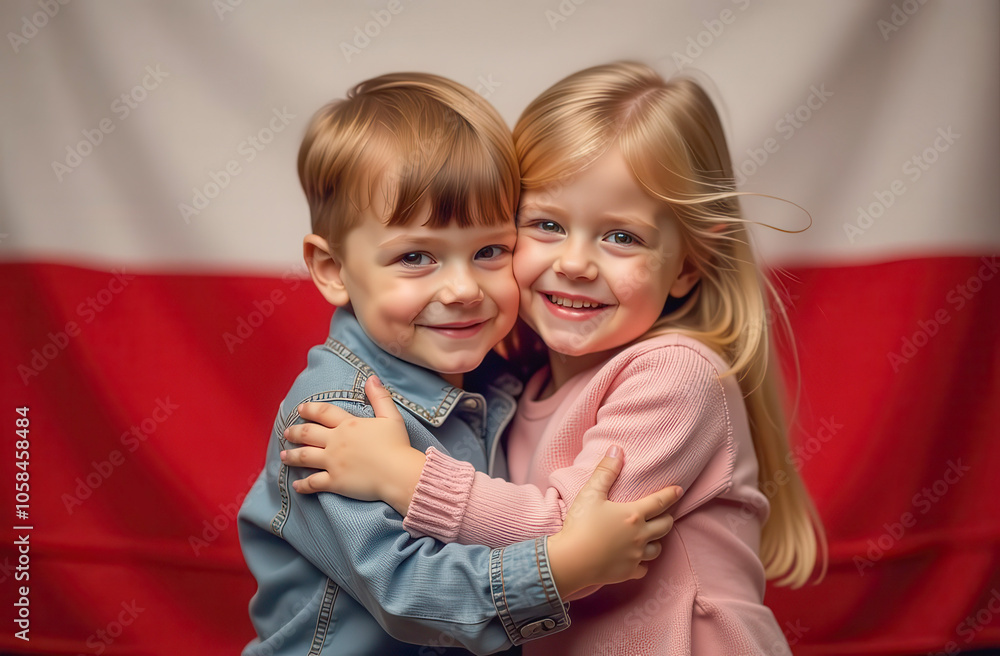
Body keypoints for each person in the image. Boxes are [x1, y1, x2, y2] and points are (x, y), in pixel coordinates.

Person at [281, 62, 828, 655]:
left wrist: (402, 477)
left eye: (622, 236)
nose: (575, 263)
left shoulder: (677, 373)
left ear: (690, 262)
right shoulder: (514, 389)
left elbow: (573, 536)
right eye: (545, 224)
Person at [237, 71, 684, 655]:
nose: (462, 289)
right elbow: (407, 594)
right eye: (417, 256)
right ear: (333, 269)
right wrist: (564, 566)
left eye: (490, 251)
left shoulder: (498, 381)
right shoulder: (338, 417)